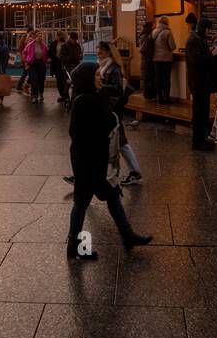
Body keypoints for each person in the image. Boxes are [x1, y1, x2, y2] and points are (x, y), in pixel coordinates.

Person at [66, 62, 153, 261]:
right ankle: (75, 245)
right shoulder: (86, 101)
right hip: (90, 163)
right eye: (96, 75)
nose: (100, 78)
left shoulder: (89, 98)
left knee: (110, 196)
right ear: (88, 79)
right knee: (83, 203)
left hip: (95, 161)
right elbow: (102, 125)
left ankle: (126, 235)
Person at [96, 40, 142, 184]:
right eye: (98, 50)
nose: (98, 52)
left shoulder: (112, 69)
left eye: (100, 50)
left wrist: (101, 89)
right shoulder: (106, 67)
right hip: (110, 111)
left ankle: (135, 172)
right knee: (119, 142)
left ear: (108, 52)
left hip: (111, 112)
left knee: (119, 142)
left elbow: (116, 91)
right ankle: (134, 171)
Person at [185, 17, 216, 151]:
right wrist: (212, 54)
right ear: (204, 28)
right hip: (198, 82)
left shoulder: (197, 39)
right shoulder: (194, 41)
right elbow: (197, 60)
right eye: (209, 29)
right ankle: (197, 142)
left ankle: (202, 139)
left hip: (201, 81)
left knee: (203, 112)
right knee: (199, 112)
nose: (209, 32)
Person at [150, 16, 174, 103]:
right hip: (166, 59)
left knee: (158, 78)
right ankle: (166, 98)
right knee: (166, 79)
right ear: (166, 23)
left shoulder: (154, 31)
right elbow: (172, 46)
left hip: (156, 59)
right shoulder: (168, 32)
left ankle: (159, 98)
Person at [22, 29, 49, 103]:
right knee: (34, 80)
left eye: (41, 36)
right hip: (32, 64)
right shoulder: (30, 45)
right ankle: (34, 96)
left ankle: (41, 93)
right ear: (36, 37)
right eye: (38, 36)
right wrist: (26, 63)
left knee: (41, 80)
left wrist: (47, 60)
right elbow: (24, 53)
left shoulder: (44, 46)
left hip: (41, 63)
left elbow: (46, 54)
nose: (40, 37)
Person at [137, 20, 155, 100]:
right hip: (147, 59)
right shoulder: (147, 36)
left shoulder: (143, 35)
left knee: (146, 77)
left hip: (144, 59)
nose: (154, 27)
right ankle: (148, 95)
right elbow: (145, 49)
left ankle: (146, 94)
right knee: (148, 77)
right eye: (153, 26)